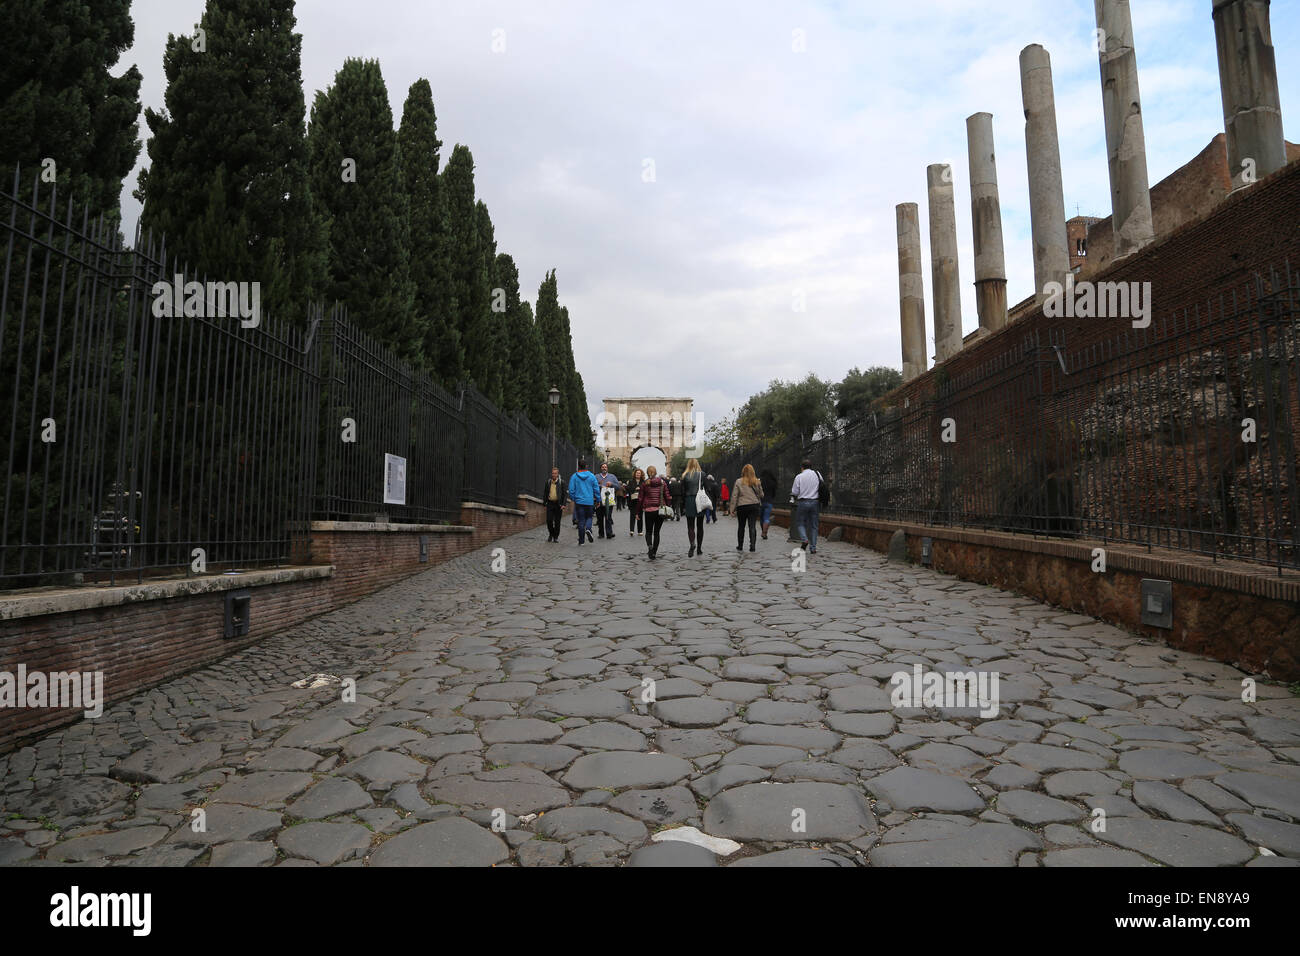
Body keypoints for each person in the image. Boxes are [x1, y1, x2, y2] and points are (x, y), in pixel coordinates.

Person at [638, 465, 671, 559]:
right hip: (660, 510)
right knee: (657, 532)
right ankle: (654, 552)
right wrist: (668, 505)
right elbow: (667, 496)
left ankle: (650, 547)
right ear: (656, 472)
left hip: (648, 510)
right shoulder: (662, 482)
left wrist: (638, 512)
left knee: (648, 531)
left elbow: (640, 499)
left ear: (647, 473)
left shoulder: (645, 483)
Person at [791, 458, 822, 554]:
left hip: (803, 502)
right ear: (811, 466)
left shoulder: (799, 477)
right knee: (814, 526)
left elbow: (795, 492)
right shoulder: (817, 474)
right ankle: (813, 548)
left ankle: (804, 539)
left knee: (800, 523)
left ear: (802, 467)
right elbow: (822, 486)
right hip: (815, 502)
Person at [568, 459, 600, 545]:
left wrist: (574, 499)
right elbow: (596, 489)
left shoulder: (574, 476)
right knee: (589, 517)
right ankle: (588, 529)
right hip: (589, 501)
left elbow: (571, 490)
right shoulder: (592, 476)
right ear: (586, 466)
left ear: (579, 466)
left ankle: (581, 541)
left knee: (581, 520)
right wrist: (598, 499)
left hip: (579, 502)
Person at [731, 465, 762, 551]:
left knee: (741, 526)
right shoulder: (757, 481)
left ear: (743, 471)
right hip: (754, 506)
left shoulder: (738, 481)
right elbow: (761, 494)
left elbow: (734, 496)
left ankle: (740, 545)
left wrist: (732, 509)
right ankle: (752, 546)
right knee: (752, 526)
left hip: (742, 506)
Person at [680, 459, 707, 556]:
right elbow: (706, 488)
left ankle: (692, 543)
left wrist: (682, 506)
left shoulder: (684, 475)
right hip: (700, 500)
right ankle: (699, 548)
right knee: (700, 526)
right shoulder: (702, 474)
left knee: (690, 526)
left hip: (689, 500)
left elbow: (682, 492)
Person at [595, 463, 621, 539]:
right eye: (603, 467)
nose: (604, 468)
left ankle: (609, 533)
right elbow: (592, 485)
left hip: (609, 500)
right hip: (598, 500)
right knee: (599, 518)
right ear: (600, 468)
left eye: (605, 467)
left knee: (608, 517)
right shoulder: (596, 476)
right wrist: (600, 486)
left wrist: (611, 484)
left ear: (607, 468)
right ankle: (601, 534)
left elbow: (618, 486)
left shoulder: (612, 477)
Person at [543, 467, 567, 542]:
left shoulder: (562, 482)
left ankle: (555, 537)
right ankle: (551, 534)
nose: (554, 475)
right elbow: (545, 493)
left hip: (558, 504)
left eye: (555, 473)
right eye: (553, 473)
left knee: (557, 522)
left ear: (558, 474)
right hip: (550, 503)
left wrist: (563, 504)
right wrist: (544, 502)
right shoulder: (548, 482)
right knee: (549, 520)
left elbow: (565, 494)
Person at [759, 468, 777, 540]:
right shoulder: (773, 482)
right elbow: (774, 493)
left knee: (761, 518)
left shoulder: (760, 481)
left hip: (761, 502)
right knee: (766, 518)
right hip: (769, 502)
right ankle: (764, 533)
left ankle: (763, 531)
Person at [626, 468, 644, 537]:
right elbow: (627, 488)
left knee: (640, 516)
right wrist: (634, 489)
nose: (638, 474)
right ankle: (631, 530)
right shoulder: (631, 481)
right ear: (634, 474)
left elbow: (646, 490)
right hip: (632, 500)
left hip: (640, 501)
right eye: (637, 473)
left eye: (639, 473)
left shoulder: (643, 482)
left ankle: (640, 531)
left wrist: (640, 489)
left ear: (641, 474)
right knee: (632, 515)